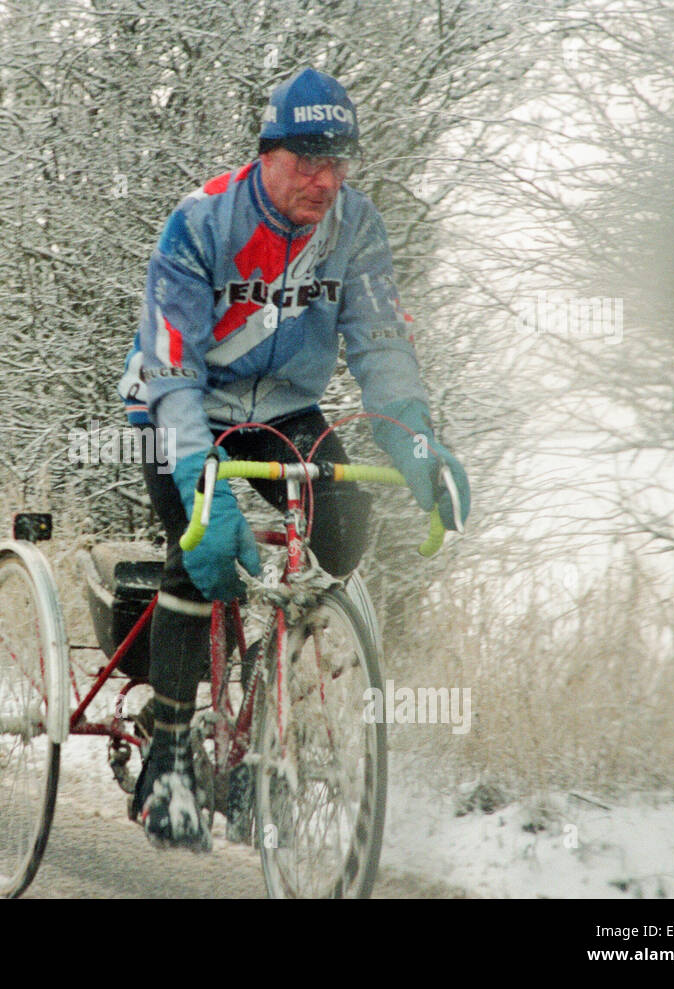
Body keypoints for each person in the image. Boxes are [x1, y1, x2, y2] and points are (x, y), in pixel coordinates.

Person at [116, 67, 471, 850]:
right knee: (199, 558)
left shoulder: (355, 226)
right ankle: (169, 754)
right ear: (267, 154)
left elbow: (381, 342)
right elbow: (172, 363)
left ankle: (260, 714)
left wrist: (413, 438)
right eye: (308, 161)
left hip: (281, 412)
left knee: (343, 528)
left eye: (337, 162)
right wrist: (195, 475)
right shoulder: (202, 221)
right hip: (178, 405)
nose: (324, 180)